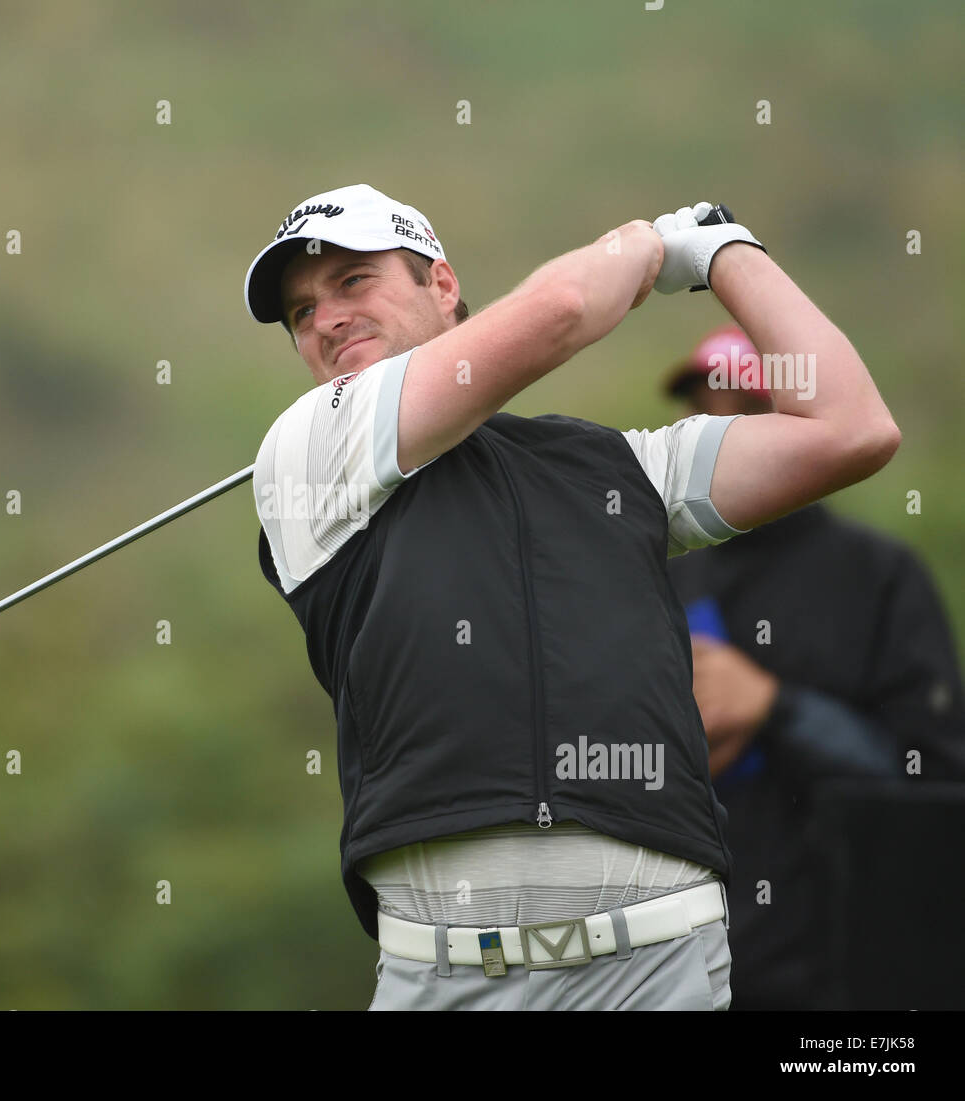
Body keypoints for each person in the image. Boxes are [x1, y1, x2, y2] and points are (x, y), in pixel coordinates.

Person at [243, 184, 901, 1010]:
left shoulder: (621, 469)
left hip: (659, 961)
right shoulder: (308, 449)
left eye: (351, 282)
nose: (325, 318)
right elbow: (560, 307)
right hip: (446, 974)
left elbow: (851, 429)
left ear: (441, 286)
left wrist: (730, 252)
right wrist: (657, 245)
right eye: (301, 311)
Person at [663, 324, 965, 1009]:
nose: (716, 432)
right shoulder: (658, 575)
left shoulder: (879, 575)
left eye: (741, 411)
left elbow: (935, 785)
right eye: (702, 411)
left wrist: (776, 707)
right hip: (680, 976)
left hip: (850, 981)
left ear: (796, 422)